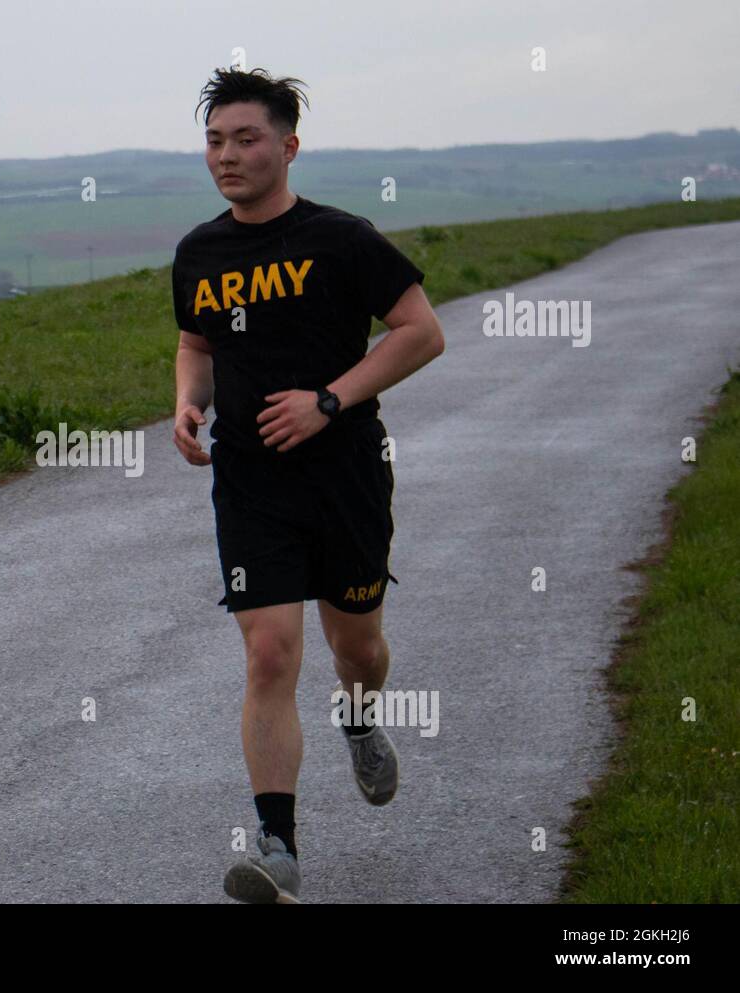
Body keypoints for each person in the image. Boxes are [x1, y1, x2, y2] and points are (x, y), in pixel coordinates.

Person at [171, 67, 445, 904]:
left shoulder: (343, 240)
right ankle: (278, 848)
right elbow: (198, 344)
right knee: (268, 652)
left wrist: (330, 400)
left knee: (356, 646)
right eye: (215, 140)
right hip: (251, 482)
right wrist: (187, 403)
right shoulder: (199, 252)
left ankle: (359, 719)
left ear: (288, 146)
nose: (228, 155)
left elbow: (421, 332)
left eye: (246, 138)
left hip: (346, 474)